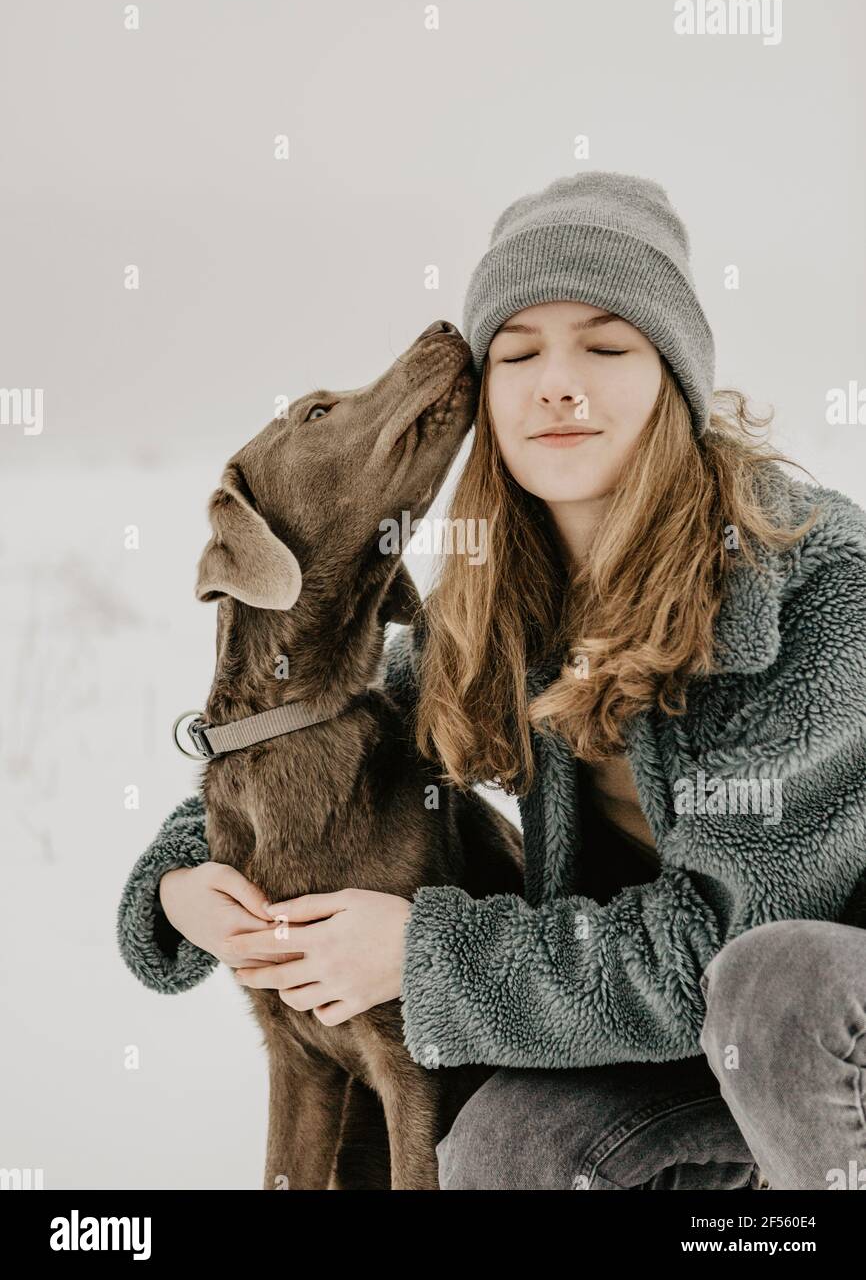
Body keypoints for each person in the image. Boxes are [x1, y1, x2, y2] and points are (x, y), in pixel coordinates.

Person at [117, 171, 866, 1191]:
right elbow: (317, 735)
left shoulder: (808, 588)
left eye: (605, 347)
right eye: (517, 353)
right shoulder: (506, 604)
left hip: (823, 1028)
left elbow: (716, 943)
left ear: (674, 381)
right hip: (676, 1040)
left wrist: (426, 955)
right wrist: (177, 884)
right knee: (506, 1146)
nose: (558, 382)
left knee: (775, 986)